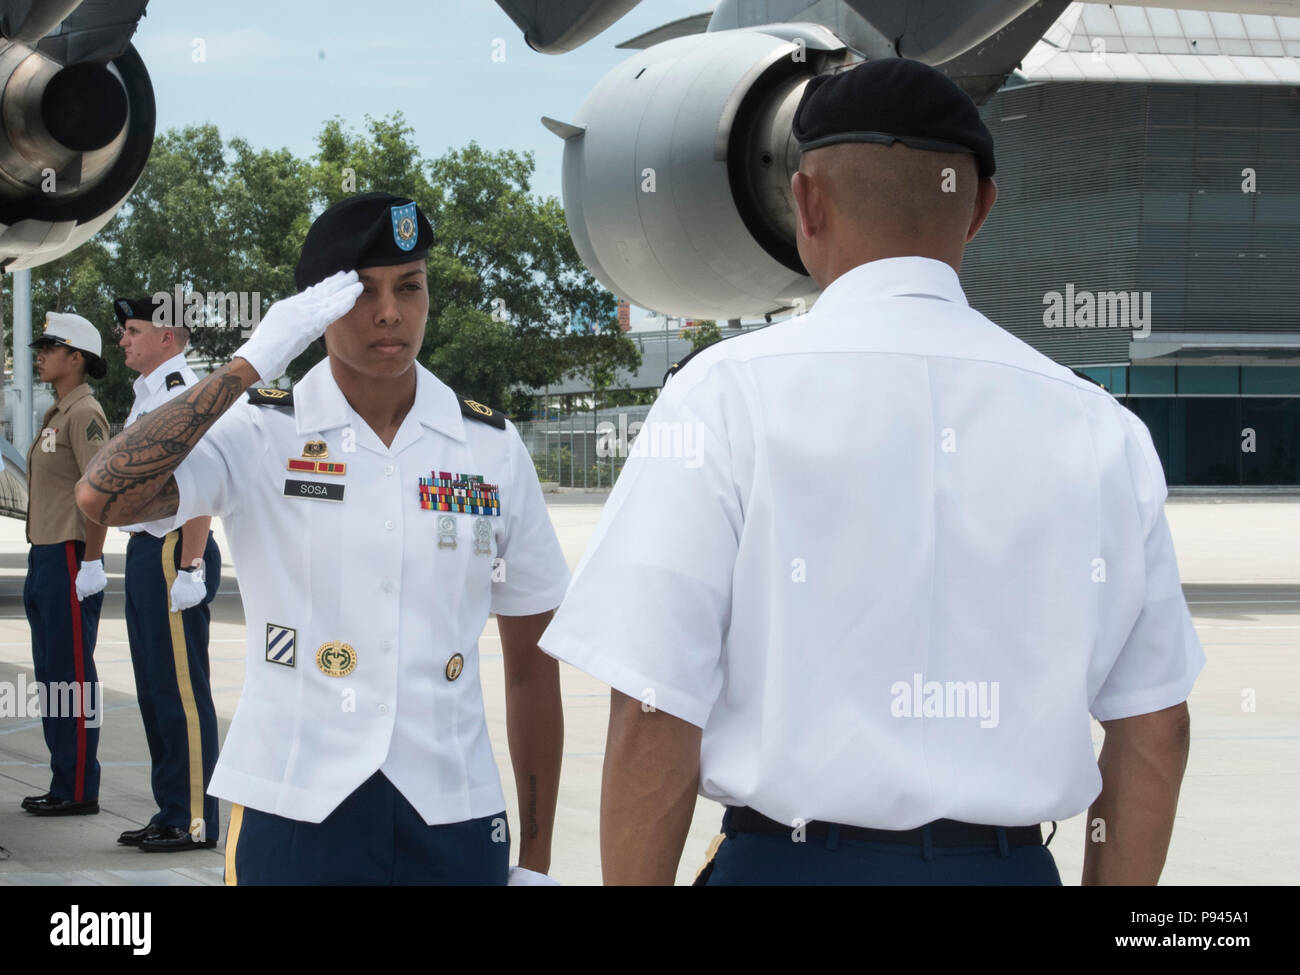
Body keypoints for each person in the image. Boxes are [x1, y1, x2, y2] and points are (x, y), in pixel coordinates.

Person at [537, 58, 1203, 885]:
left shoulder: (722, 397)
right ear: (982, 209)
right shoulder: (1102, 428)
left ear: (805, 202)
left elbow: (650, 713)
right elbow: (1156, 729)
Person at [76, 192, 570, 885]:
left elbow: (529, 667)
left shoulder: (489, 446)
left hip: (454, 815)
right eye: (361, 292)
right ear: (313, 308)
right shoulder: (262, 433)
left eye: (410, 286)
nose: (390, 312)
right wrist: (249, 365)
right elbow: (104, 493)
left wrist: (538, 863)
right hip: (294, 809)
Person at [111, 297, 223, 852]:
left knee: (181, 691)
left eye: (133, 331)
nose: (124, 340)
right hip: (145, 548)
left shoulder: (181, 390)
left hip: (175, 548)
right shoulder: (150, 394)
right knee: (156, 690)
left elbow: (200, 480)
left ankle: (196, 819)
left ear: (167, 337)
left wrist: (193, 564)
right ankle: (171, 807)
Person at [22, 313, 110, 817]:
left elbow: (100, 491)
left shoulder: (84, 414)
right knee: (53, 675)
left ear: (76, 358)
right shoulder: (56, 413)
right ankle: (64, 782)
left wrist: (91, 563)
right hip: (45, 554)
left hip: (71, 555)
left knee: (73, 677)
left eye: (51, 347)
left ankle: (79, 787)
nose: (41, 355)